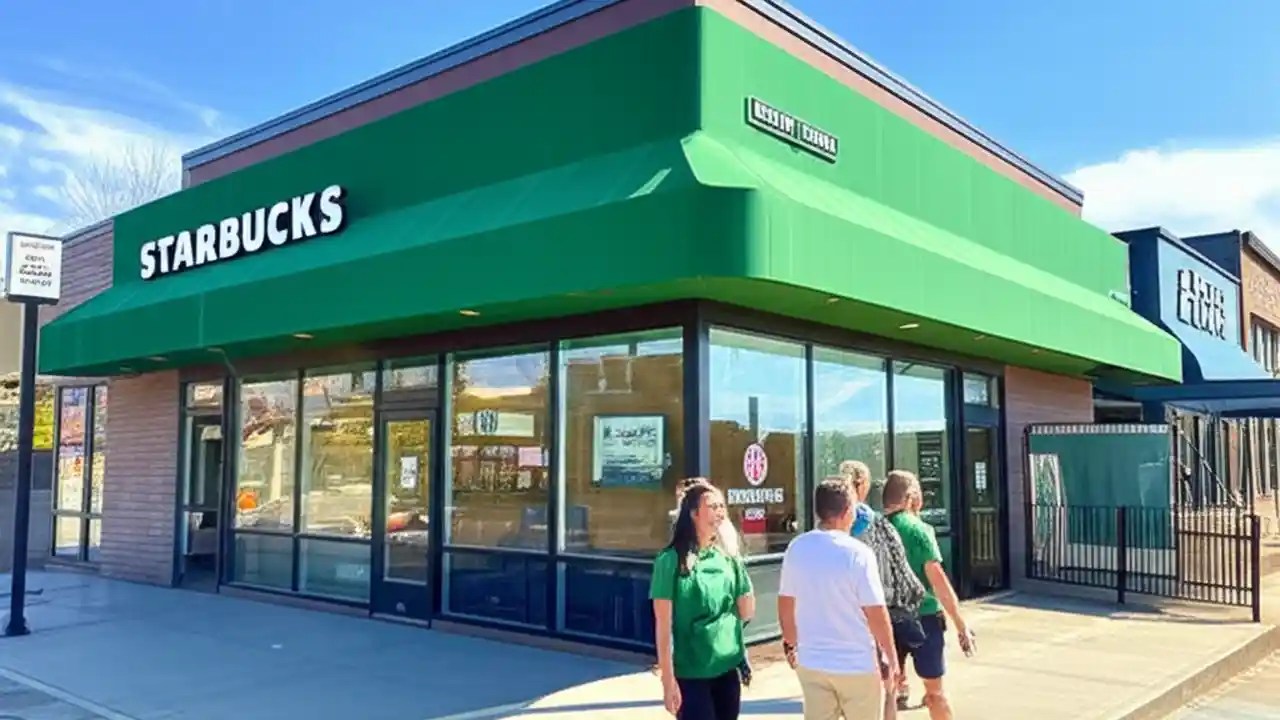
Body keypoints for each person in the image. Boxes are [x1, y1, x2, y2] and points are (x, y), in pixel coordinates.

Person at [779, 477, 898, 720]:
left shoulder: (797, 548)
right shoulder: (858, 554)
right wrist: (891, 657)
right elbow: (875, 612)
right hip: (856, 665)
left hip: (812, 663)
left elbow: (785, 604)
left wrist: (791, 644)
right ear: (847, 511)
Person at [652, 480, 755, 719]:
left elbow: (747, 611)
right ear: (693, 514)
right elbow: (663, 626)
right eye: (712, 506)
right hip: (691, 673)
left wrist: (737, 557)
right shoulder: (669, 561)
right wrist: (668, 681)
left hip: (727, 668)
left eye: (722, 506)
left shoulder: (727, 558)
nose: (720, 512)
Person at [881, 470, 974, 720]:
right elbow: (938, 581)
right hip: (924, 619)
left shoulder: (875, 530)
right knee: (935, 693)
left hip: (886, 620)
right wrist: (961, 625)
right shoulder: (919, 530)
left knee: (887, 694)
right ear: (911, 497)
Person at [840, 463, 926, 720]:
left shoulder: (825, 528)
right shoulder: (877, 526)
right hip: (875, 614)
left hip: (841, 617)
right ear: (863, 486)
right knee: (883, 691)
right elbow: (900, 572)